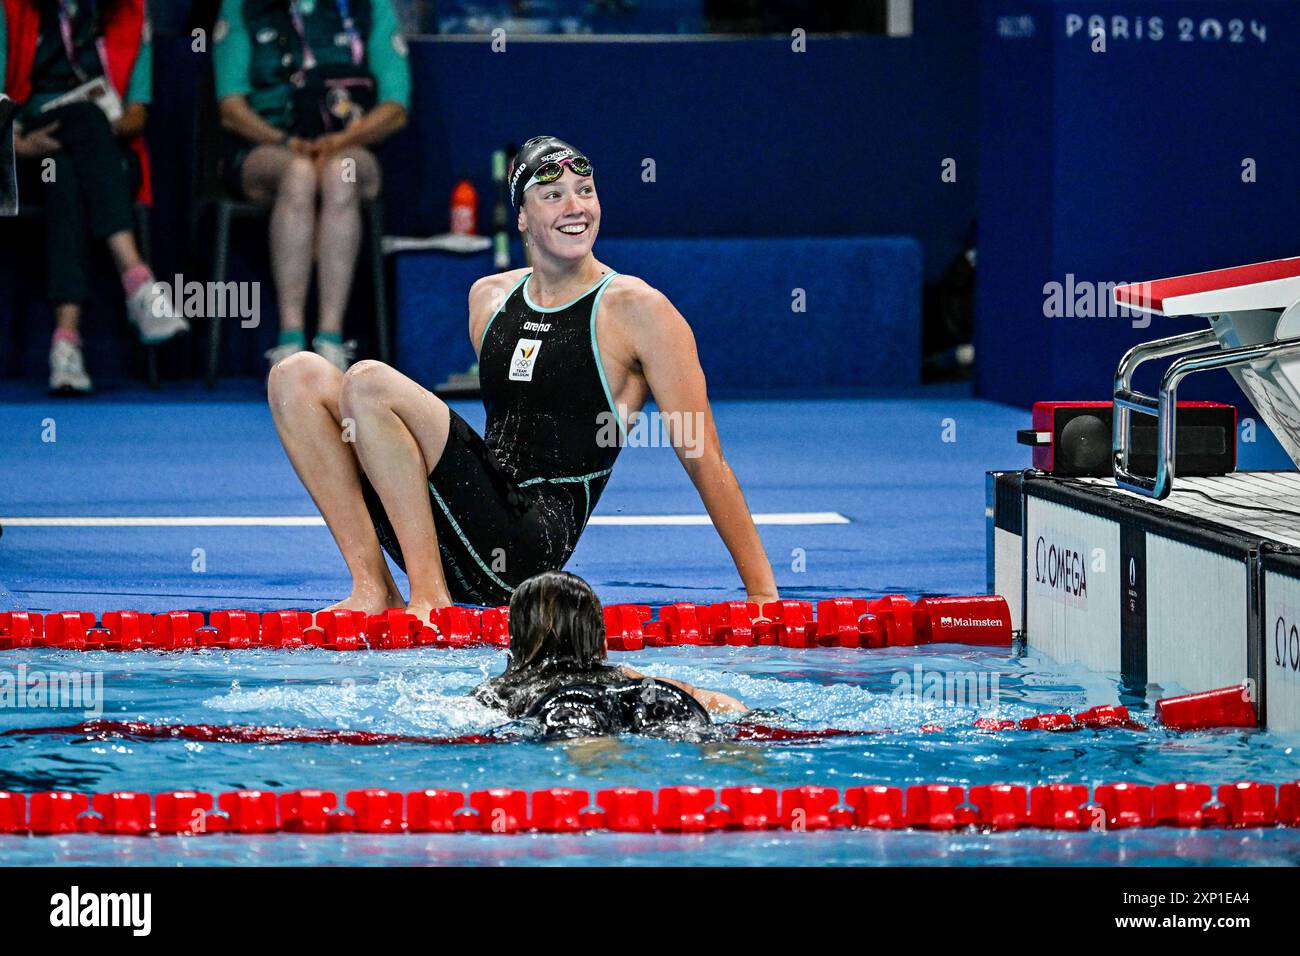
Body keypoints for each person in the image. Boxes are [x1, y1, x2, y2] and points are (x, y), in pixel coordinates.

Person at [268, 134, 780, 618]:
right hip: (458, 531)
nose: (575, 207)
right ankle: (375, 586)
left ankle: (430, 597)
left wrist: (762, 593)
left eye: (585, 192)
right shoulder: (489, 299)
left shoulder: (638, 310)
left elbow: (703, 456)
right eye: (553, 195)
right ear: (522, 218)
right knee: (297, 376)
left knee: (369, 381)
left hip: (527, 556)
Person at [212, 0, 409, 372]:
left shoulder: (370, 7)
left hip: (350, 147)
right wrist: (287, 143)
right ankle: (290, 340)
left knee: (340, 173)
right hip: (269, 148)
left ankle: (330, 339)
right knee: (300, 173)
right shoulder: (241, 8)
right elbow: (231, 108)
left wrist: (338, 142)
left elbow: (395, 107)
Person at [2, 0, 186, 395]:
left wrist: (97, 131)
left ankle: (66, 343)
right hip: (27, 149)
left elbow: (137, 114)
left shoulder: (131, 10)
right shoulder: (10, 7)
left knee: (70, 162)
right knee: (69, 151)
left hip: (108, 155)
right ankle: (136, 278)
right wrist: (17, 143)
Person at [473, 570, 746, 738]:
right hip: (634, 705)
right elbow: (701, 697)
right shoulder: (624, 677)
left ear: (515, 642)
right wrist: (747, 715)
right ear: (601, 642)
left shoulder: (496, 692)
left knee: (592, 752)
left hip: (561, 714)